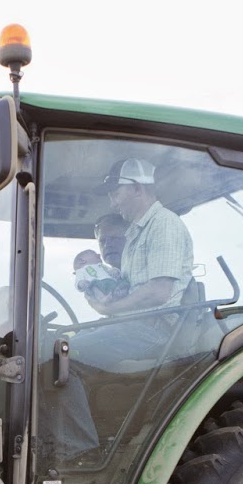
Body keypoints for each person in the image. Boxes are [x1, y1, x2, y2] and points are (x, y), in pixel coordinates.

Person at [67, 157, 194, 369]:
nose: (112, 203)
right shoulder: (136, 233)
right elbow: (127, 287)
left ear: (137, 189)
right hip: (129, 324)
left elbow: (159, 292)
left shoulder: (164, 224)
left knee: (64, 354)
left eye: (115, 193)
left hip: (152, 329)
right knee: (56, 344)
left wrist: (109, 309)